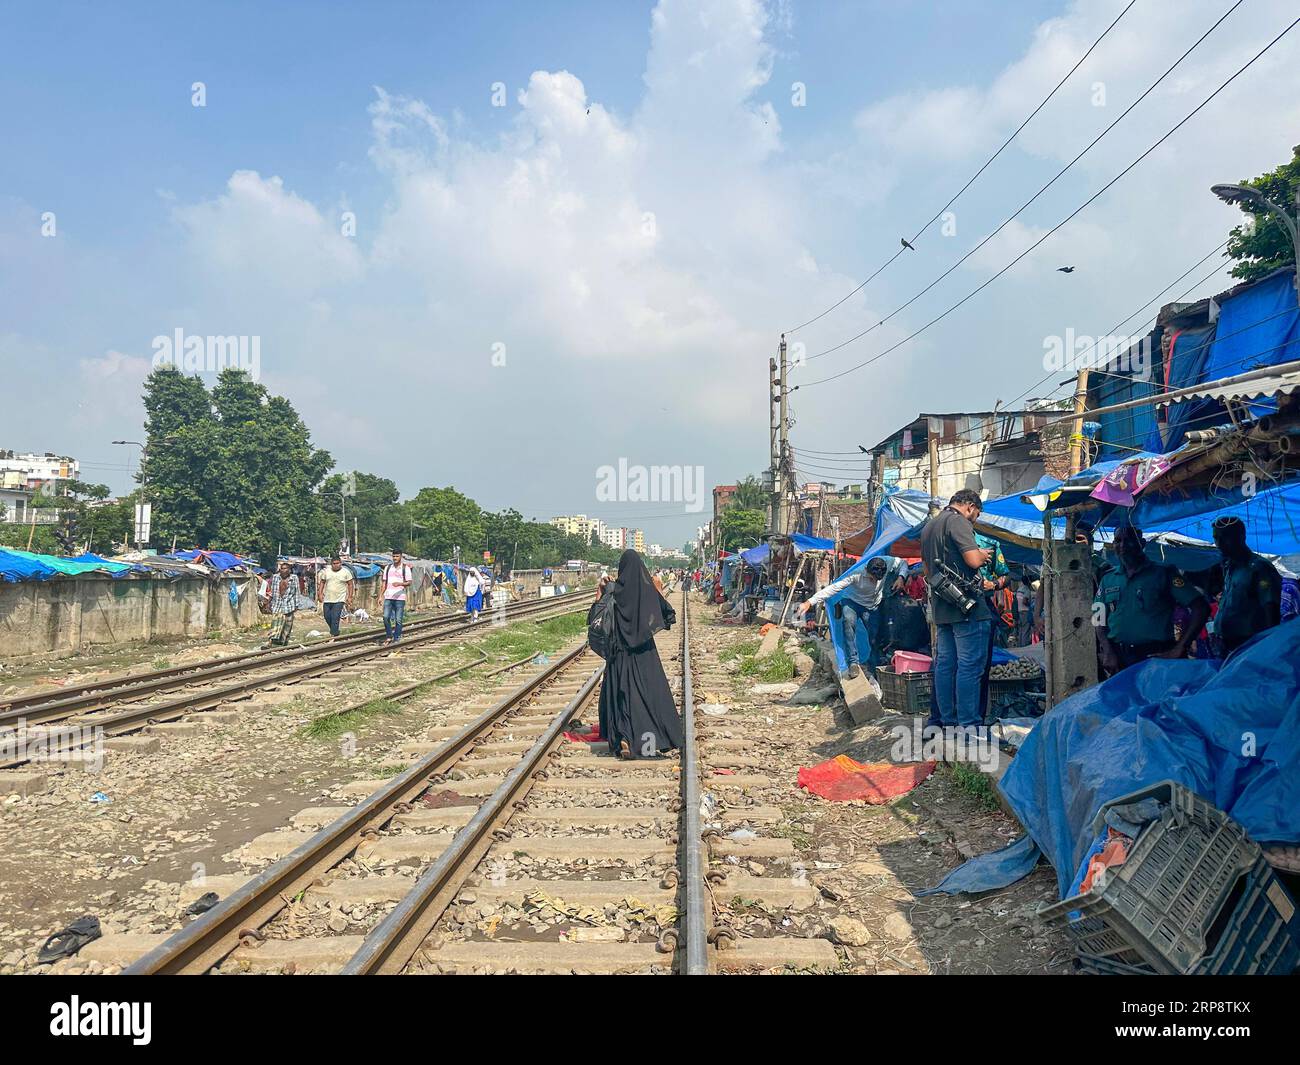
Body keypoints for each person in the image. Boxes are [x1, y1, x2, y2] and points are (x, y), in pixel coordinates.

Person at [595, 549, 684, 759]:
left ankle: (623, 739)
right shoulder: (647, 590)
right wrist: (657, 591)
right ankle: (646, 742)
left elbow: (595, 617)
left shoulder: (613, 591)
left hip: (619, 654)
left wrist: (600, 591)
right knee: (646, 696)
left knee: (620, 695)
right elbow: (667, 615)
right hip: (644, 653)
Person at [919, 489, 993, 731]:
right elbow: (972, 560)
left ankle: (948, 722)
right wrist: (981, 555)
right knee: (970, 666)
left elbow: (927, 571)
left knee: (945, 665)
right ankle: (969, 724)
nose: (975, 519)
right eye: (977, 514)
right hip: (967, 608)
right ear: (970, 506)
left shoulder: (930, 526)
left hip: (942, 606)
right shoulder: (958, 522)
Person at [1094, 526, 1209, 676]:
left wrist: (1180, 648)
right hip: (1119, 658)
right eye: (1118, 541)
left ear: (1141, 543)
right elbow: (1098, 619)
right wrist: (1107, 651)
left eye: (1129, 540)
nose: (1122, 546)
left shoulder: (1162, 574)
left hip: (1156, 656)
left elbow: (1201, 607)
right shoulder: (1107, 579)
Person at [797, 554, 907, 679]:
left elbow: (903, 563)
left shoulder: (889, 562)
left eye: (877, 580)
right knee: (848, 623)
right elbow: (833, 588)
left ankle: (873, 665)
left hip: (872, 605)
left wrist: (901, 577)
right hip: (852, 601)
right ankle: (853, 662)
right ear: (867, 571)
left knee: (875, 637)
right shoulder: (856, 574)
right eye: (872, 578)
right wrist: (809, 602)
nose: (874, 582)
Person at [1211, 515, 1282, 654]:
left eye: (1225, 537)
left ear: (1241, 536)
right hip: (1225, 645)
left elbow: (1271, 610)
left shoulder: (1259, 567)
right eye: (1216, 538)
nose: (1219, 543)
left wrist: (1269, 648)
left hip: (1249, 646)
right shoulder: (1228, 567)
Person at [261, 560, 300, 648]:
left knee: (287, 626)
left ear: (289, 570)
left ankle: (283, 644)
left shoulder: (294, 578)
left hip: (289, 605)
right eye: (282, 569)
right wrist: (268, 602)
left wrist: (296, 605)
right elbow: (272, 591)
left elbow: (297, 592)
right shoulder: (275, 577)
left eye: (285, 568)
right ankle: (271, 642)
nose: (283, 570)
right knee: (275, 624)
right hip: (277, 605)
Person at [380, 550, 412, 645]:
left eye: (397, 556)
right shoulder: (388, 568)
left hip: (400, 597)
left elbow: (409, 582)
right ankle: (389, 636)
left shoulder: (405, 568)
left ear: (401, 557)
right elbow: (384, 583)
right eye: (394, 556)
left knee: (398, 619)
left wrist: (400, 583)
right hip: (388, 596)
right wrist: (380, 596)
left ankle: (397, 637)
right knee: (385, 617)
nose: (395, 558)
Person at [317, 556, 354, 637]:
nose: (336, 565)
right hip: (327, 599)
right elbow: (322, 582)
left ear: (340, 563)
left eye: (338, 563)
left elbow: (350, 584)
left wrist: (350, 597)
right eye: (334, 563)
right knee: (327, 617)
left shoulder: (346, 572)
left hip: (339, 599)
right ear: (331, 564)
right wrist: (319, 594)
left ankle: (333, 635)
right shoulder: (326, 571)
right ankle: (335, 632)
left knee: (335, 617)